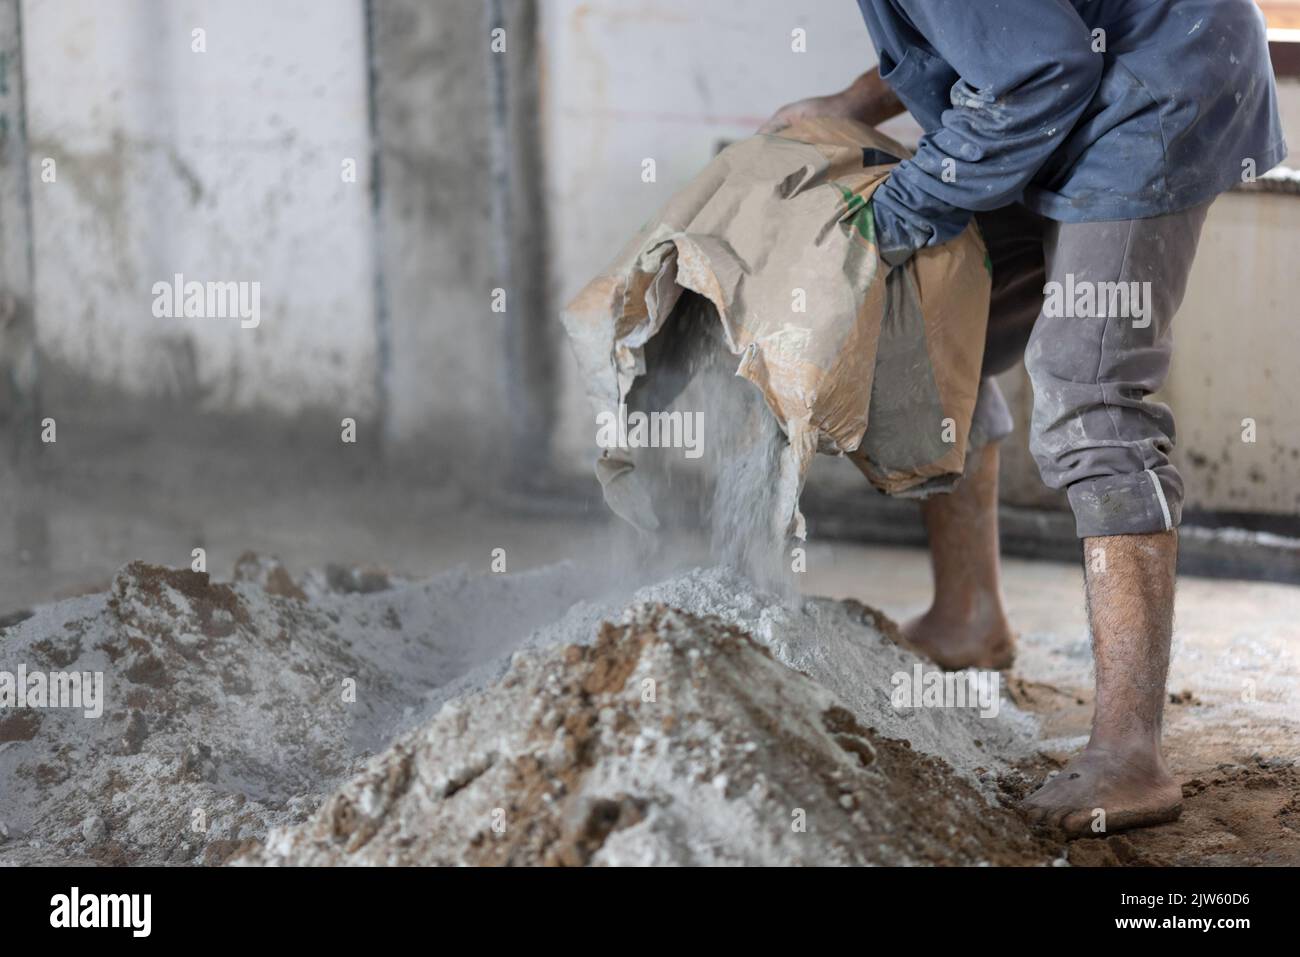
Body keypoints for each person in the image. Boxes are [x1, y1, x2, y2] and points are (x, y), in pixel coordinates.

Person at [763, 0, 1286, 835]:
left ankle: (1129, 755)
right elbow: (983, 38)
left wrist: (895, 215)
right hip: (1070, 77)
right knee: (938, 322)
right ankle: (967, 615)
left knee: (1089, 386)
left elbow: (1041, 70)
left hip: (1156, 83)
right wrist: (856, 105)